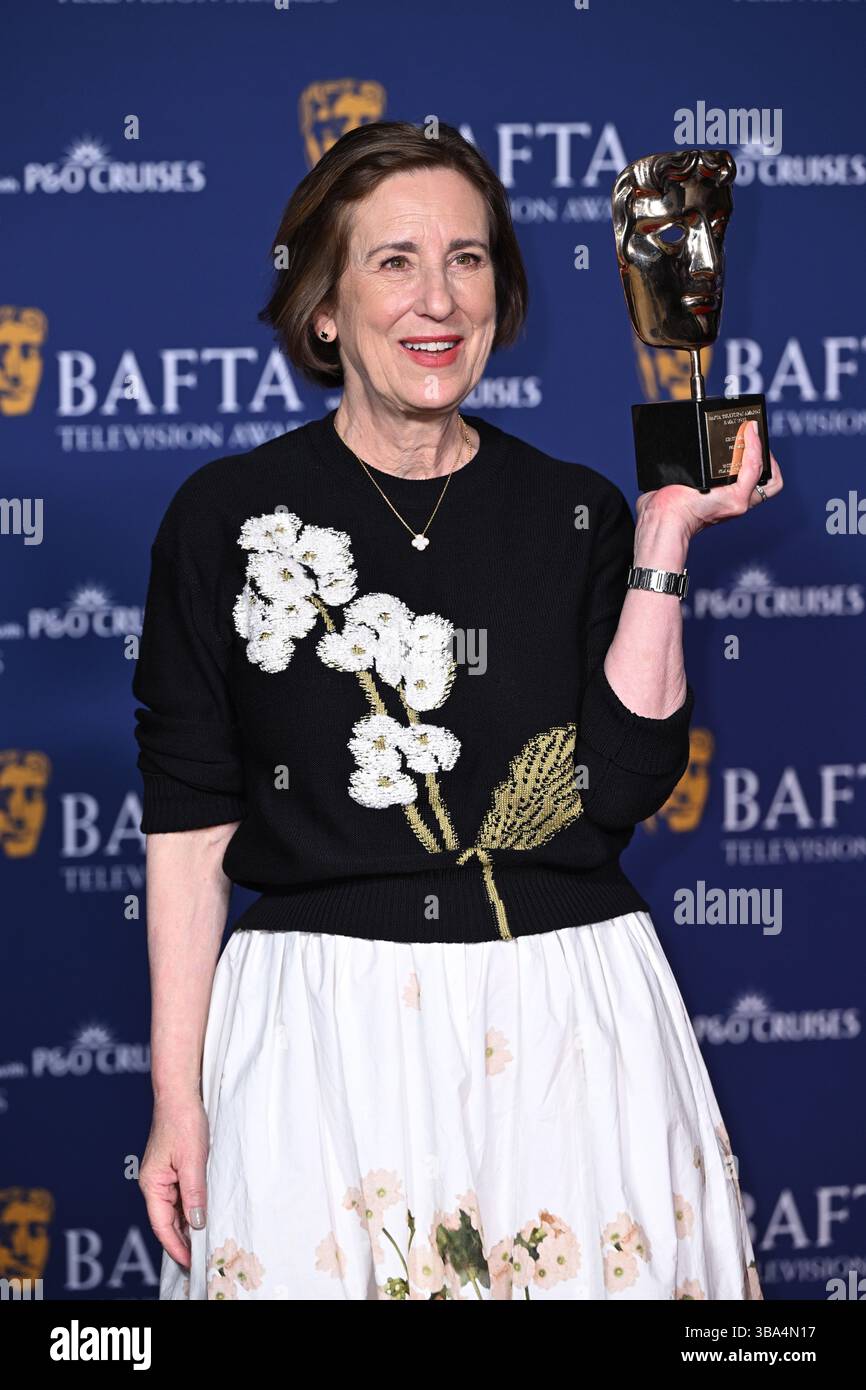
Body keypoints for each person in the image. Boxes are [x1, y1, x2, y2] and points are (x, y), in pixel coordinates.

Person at [134, 122, 780, 1301]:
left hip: (568, 1028)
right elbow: (187, 833)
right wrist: (176, 1098)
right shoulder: (223, 516)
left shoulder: (575, 511)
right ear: (322, 308)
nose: (437, 298)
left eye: (469, 260)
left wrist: (662, 540)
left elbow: (625, 783)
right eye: (392, 261)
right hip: (317, 1040)